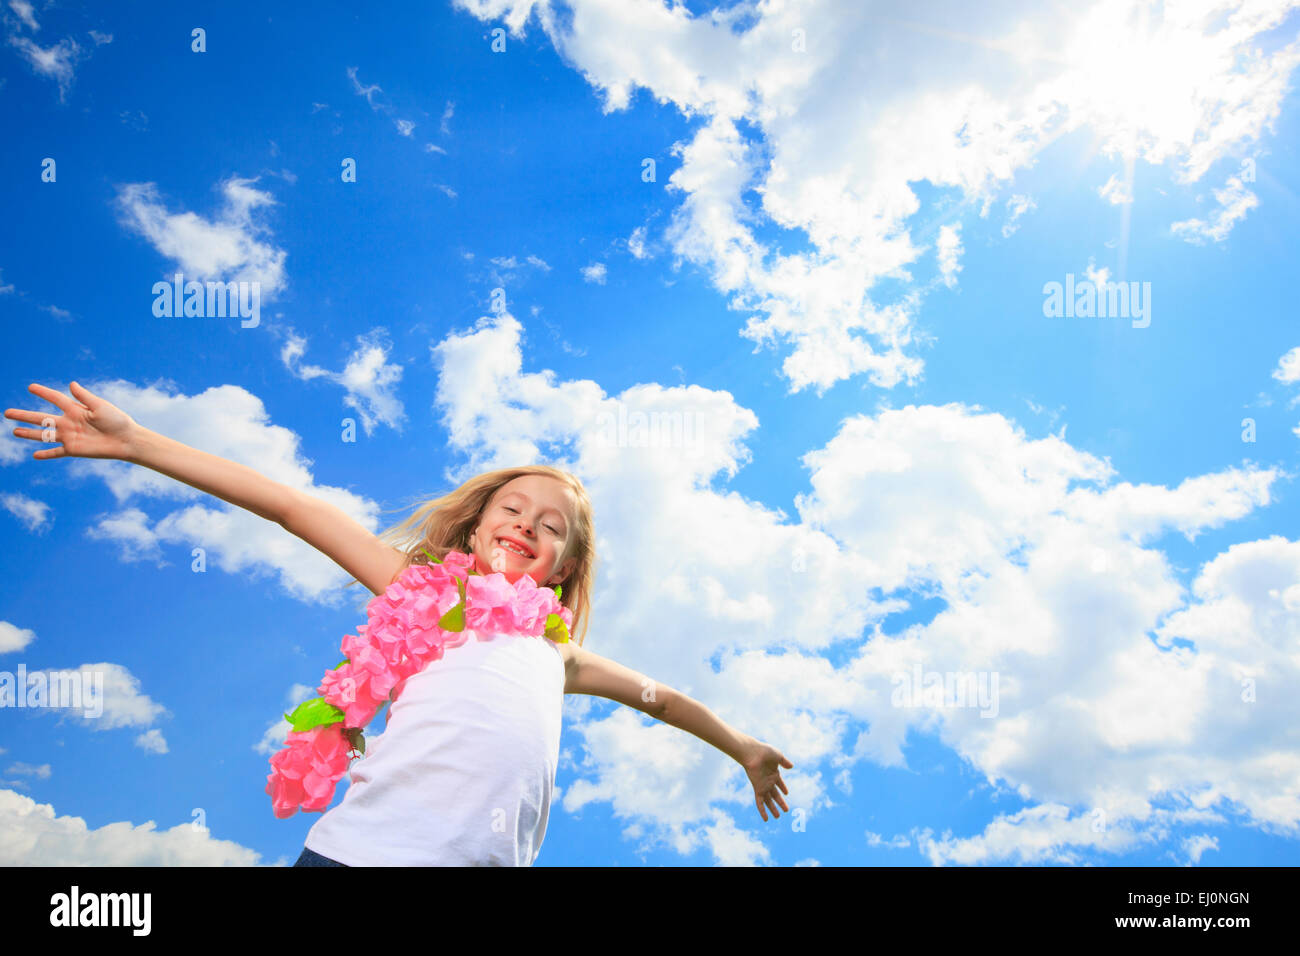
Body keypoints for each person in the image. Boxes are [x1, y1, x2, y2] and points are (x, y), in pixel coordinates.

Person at [4, 381, 794, 866]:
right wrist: (138, 442)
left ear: (563, 567)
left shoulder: (562, 659)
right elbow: (293, 508)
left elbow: (661, 697)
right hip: (361, 859)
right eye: (511, 509)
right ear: (477, 528)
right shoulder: (421, 590)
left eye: (552, 526)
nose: (526, 524)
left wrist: (744, 749)